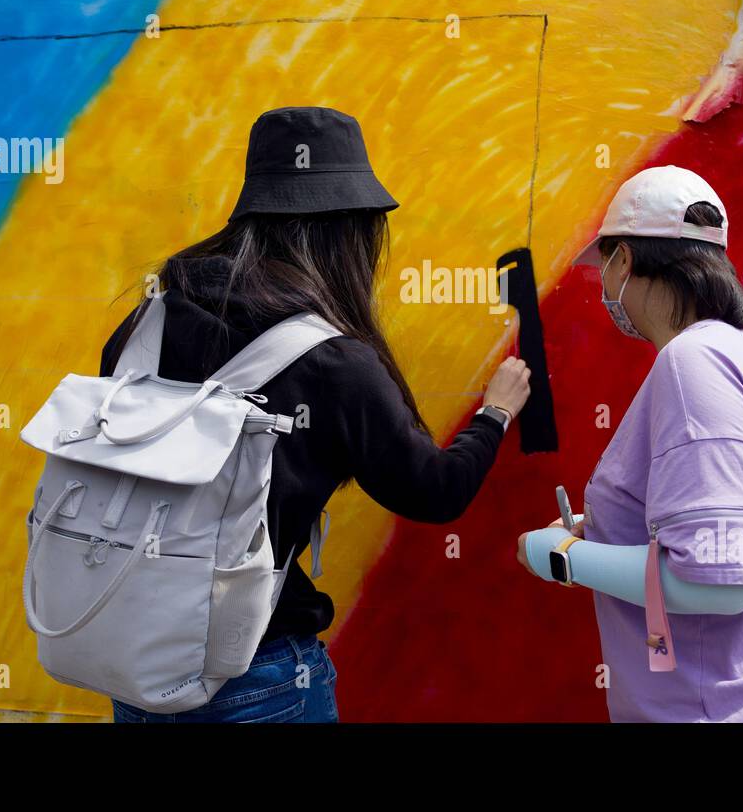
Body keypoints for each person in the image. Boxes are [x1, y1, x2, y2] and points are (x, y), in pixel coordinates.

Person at [102, 106, 531, 722]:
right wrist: (494, 412)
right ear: (348, 232)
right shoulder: (333, 362)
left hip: (134, 665)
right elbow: (434, 491)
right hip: (255, 677)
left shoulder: (148, 322)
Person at [515, 165, 743, 722]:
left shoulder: (690, 363)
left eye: (603, 267)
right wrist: (600, 529)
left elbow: (720, 585)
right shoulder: (731, 351)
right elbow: (714, 532)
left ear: (624, 260)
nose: (602, 288)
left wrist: (566, 558)